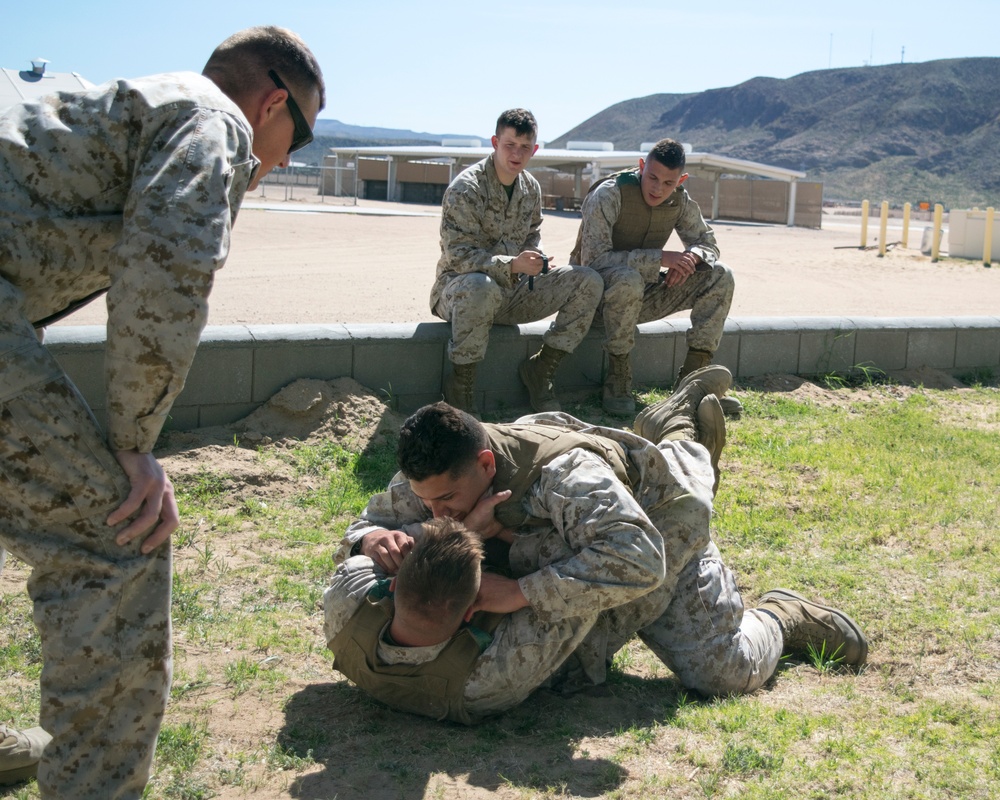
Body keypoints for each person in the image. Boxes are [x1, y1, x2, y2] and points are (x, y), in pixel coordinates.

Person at [0, 26, 324, 798]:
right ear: (272, 101)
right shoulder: (214, 120)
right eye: (298, 138)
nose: (283, 161)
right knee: (119, 535)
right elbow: (167, 271)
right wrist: (135, 443)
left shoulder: (119, 106)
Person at [323, 372, 867, 722]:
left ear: (486, 466)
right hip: (578, 546)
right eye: (425, 501)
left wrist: (520, 592)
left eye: (445, 500)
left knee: (722, 672)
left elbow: (638, 560)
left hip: (655, 522)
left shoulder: (568, 479)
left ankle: (781, 612)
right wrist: (373, 538)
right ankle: (669, 429)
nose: (434, 512)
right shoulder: (434, 478)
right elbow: (370, 523)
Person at [431, 108, 603, 414]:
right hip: (460, 293)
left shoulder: (530, 188)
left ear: (534, 150)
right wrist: (511, 265)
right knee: (480, 287)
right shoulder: (466, 188)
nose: (517, 154)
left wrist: (536, 258)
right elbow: (458, 255)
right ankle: (462, 386)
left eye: (525, 147)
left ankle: (542, 370)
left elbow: (531, 235)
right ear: (495, 142)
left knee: (587, 280)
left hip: (514, 290)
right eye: (510, 145)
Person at [570, 138, 738, 416]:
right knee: (627, 279)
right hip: (594, 300)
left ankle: (692, 385)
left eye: (668, 183)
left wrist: (690, 258)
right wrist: (660, 258)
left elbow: (708, 243)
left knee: (720, 275)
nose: (658, 188)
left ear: (681, 179)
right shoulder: (610, 194)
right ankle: (618, 379)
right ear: (641, 166)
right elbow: (593, 261)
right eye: (652, 178)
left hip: (640, 295)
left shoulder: (679, 200)